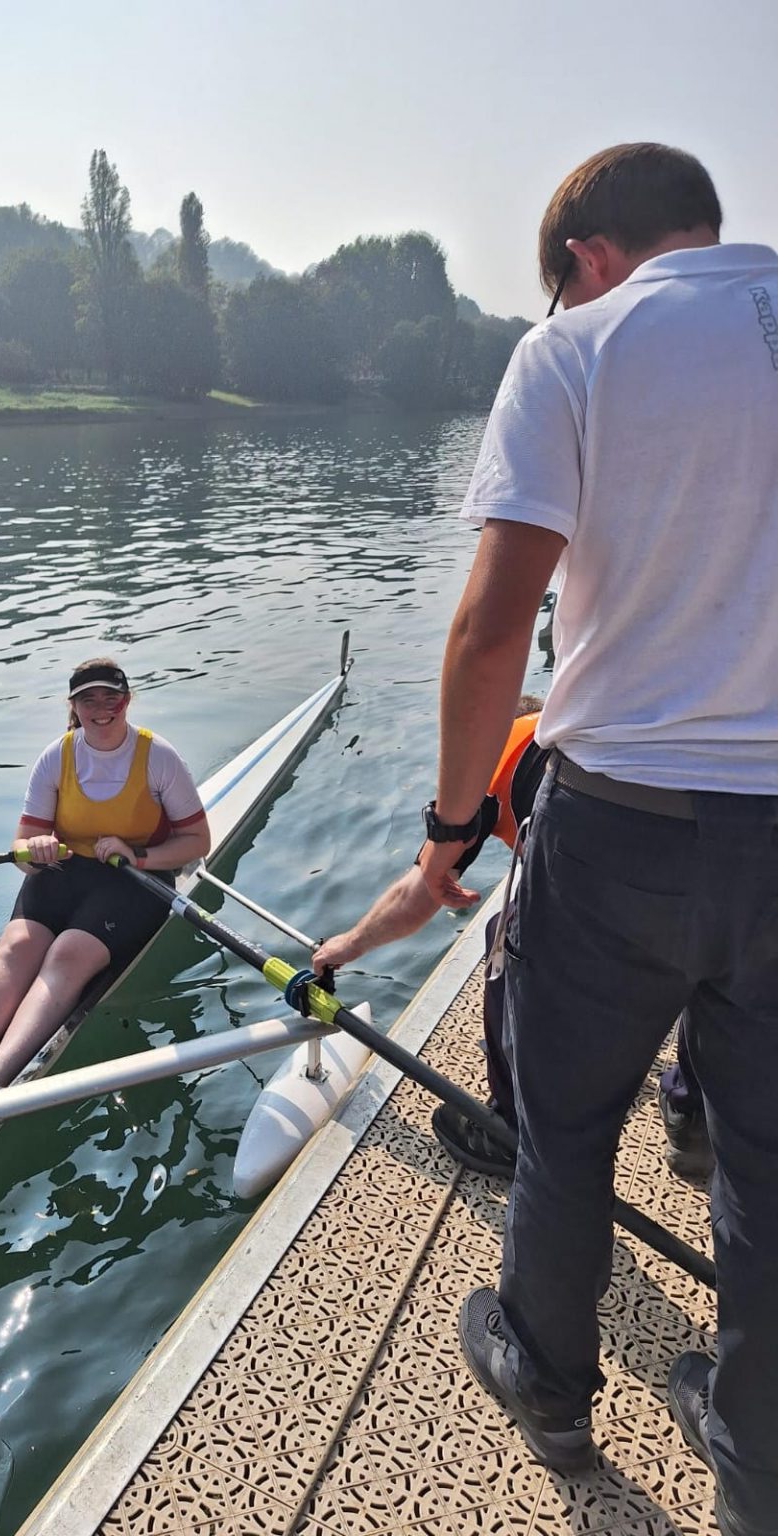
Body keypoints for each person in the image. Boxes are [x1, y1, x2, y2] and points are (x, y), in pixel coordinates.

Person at [414, 143, 778, 1531]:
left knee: (564, 1125)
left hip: (623, 826)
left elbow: (493, 626)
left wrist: (452, 827)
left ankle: (548, 1383)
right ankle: (755, 1460)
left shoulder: (574, 352)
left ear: (584, 259)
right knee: (767, 1160)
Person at [313, 698, 710, 1180]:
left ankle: (509, 1125)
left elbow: (416, 895)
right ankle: (696, 1115)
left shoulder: (491, 765)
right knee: (707, 953)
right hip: (718, 839)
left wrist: (347, 946)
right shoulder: (574, 728)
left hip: (617, 869)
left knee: (502, 934)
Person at [0, 658, 210, 1095]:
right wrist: (33, 852)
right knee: (16, 948)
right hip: (66, 872)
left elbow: (198, 841)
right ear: (75, 706)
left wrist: (138, 855)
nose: (102, 708)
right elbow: (23, 853)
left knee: (69, 952)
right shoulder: (57, 757)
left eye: (112, 697)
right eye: (89, 699)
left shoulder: (159, 757)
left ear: (127, 701)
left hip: (136, 877)